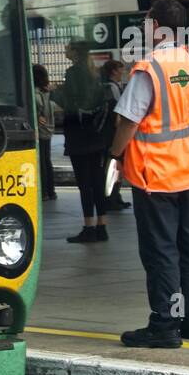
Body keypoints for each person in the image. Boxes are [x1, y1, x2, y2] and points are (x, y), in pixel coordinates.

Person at [107, 0, 189, 348]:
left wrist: (115, 154)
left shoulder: (148, 68)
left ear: (155, 26)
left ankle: (165, 324)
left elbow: (128, 121)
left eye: (145, 21)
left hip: (155, 174)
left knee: (161, 251)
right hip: (188, 170)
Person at [52, 40, 111, 241]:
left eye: (68, 48)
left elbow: (69, 102)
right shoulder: (95, 72)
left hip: (79, 134)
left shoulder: (73, 73)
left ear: (75, 52)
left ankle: (88, 227)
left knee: (84, 183)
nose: (65, 50)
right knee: (97, 181)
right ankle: (102, 226)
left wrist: (54, 92)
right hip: (96, 134)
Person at [101, 59, 131, 210]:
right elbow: (116, 112)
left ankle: (115, 196)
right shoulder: (110, 87)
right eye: (121, 70)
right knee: (114, 165)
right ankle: (112, 198)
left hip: (113, 133)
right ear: (113, 71)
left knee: (116, 165)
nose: (123, 73)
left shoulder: (114, 86)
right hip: (112, 134)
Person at [33, 64, 57, 201]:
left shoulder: (36, 93)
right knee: (47, 160)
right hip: (49, 129)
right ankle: (51, 190)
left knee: (41, 161)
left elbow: (37, 110)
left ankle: (44, 192)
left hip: (40, 130)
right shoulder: (47, 92)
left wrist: (37, 117)